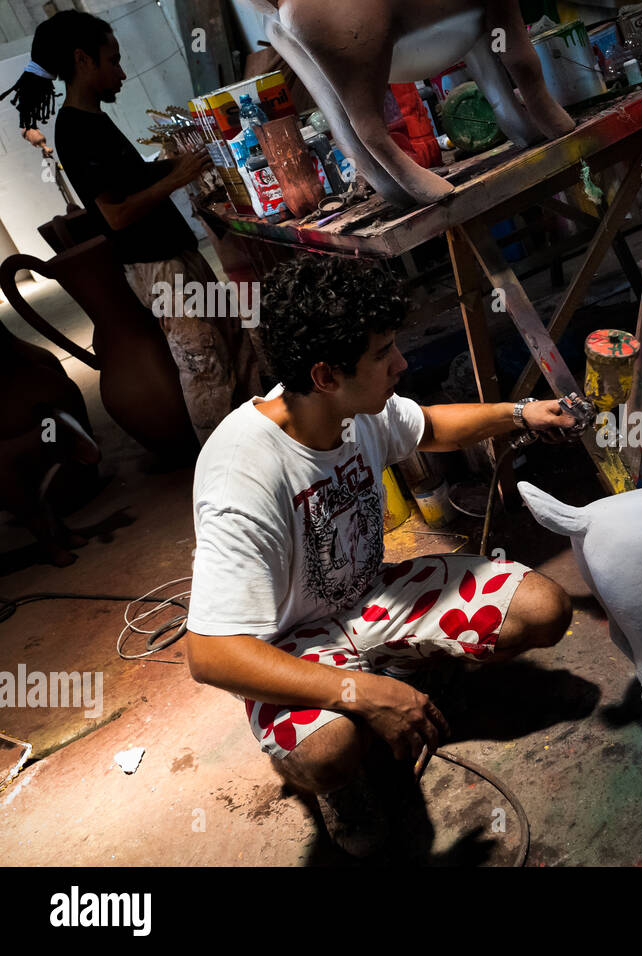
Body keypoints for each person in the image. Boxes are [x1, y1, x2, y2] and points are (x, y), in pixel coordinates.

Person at [183, 255, 575, 857]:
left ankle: (404, 673)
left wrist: (520, 414)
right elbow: (209, 655)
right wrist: (356, 694)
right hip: (294, 643)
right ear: (325, 373)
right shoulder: (243, 474)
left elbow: (429, 427)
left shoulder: (350, 406)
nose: (402, 363)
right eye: (384, 352)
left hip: (373, 599)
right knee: (329, 752)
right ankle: (353, 755)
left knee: (543, 609)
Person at [1, 10, 258, 443]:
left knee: (238, 344)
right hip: (157, 270)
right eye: (112, 60)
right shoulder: (76, 130)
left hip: (177, 255)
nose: (121, 72)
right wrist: (177, 178)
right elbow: (115, 215)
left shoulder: (95, 121)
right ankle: (227, 461)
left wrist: (176, 164)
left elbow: (131, 183)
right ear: (83, 60)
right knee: (204, 369)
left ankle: (271, 439)